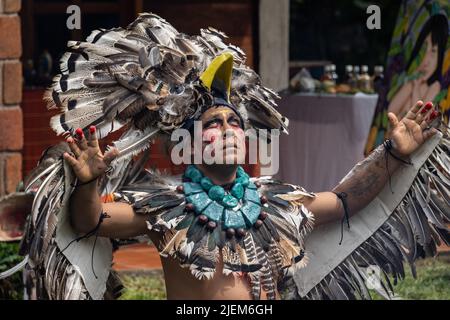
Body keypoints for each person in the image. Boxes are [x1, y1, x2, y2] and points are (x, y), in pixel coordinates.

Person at [2, 13, 449, 300]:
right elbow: (90, 222)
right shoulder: (168, 208)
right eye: (214, 124)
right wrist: (86, 182)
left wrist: (393, 154)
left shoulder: (276, 202)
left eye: (234, 122)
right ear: (193, 143)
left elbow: (345, 201)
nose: (228, 129)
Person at [388, 14, 448, 118]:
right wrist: (411, 84)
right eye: (423, 49)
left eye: (433, 51)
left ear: (441, 55)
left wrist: (415, 88)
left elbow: (421, 116)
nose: (425, 61)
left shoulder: (434, 86)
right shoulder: (411, 82)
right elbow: (390, 111)